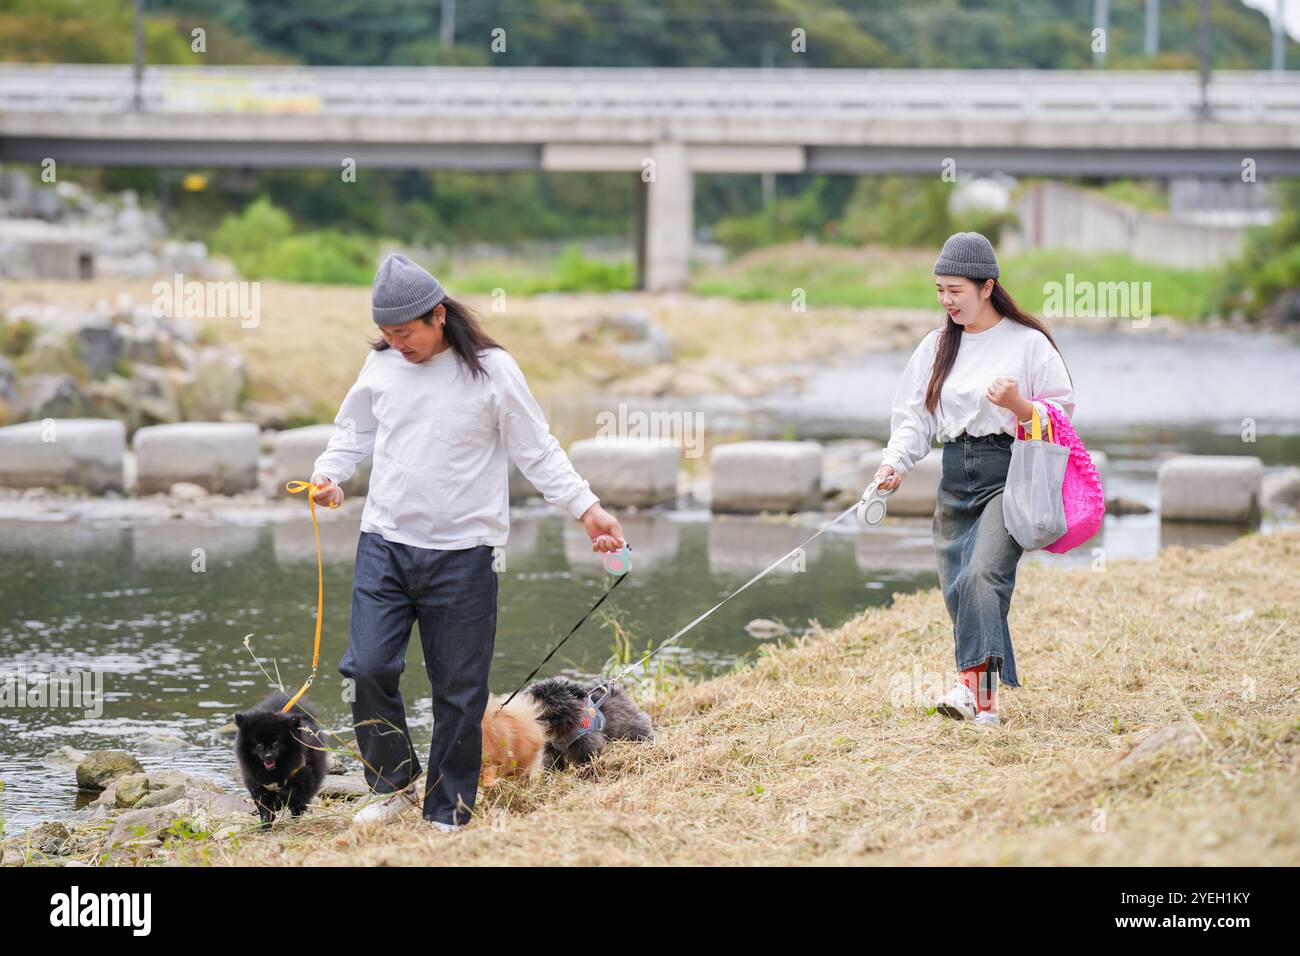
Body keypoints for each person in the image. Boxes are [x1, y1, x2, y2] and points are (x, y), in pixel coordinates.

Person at [309, 253, 625, 830]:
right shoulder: (381, 366)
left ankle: (447, 811)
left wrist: (588, 508)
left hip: (465, 554)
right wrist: (330, 474)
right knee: (368, 668)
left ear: (437, 315)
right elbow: (352, 429)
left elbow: (537, 448)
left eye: (405, 333)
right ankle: (397, 780)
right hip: (385, 542)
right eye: (385, 334)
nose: (396, 344)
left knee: (459, 690)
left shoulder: (491, 369)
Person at [873, 232, 1075, 726]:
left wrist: (1017, 406)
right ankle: (984, 702)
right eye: (940, 290)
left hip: (1010, 473)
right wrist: (894, 465)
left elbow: (1062, 414)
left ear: (987, 287)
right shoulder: (936, 345)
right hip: (953, 473)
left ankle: (968, 690)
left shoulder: (1028, 344)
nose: (946, 300)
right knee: (958, 588)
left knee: (984, 573)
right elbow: (913, 417)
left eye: (956, 290)